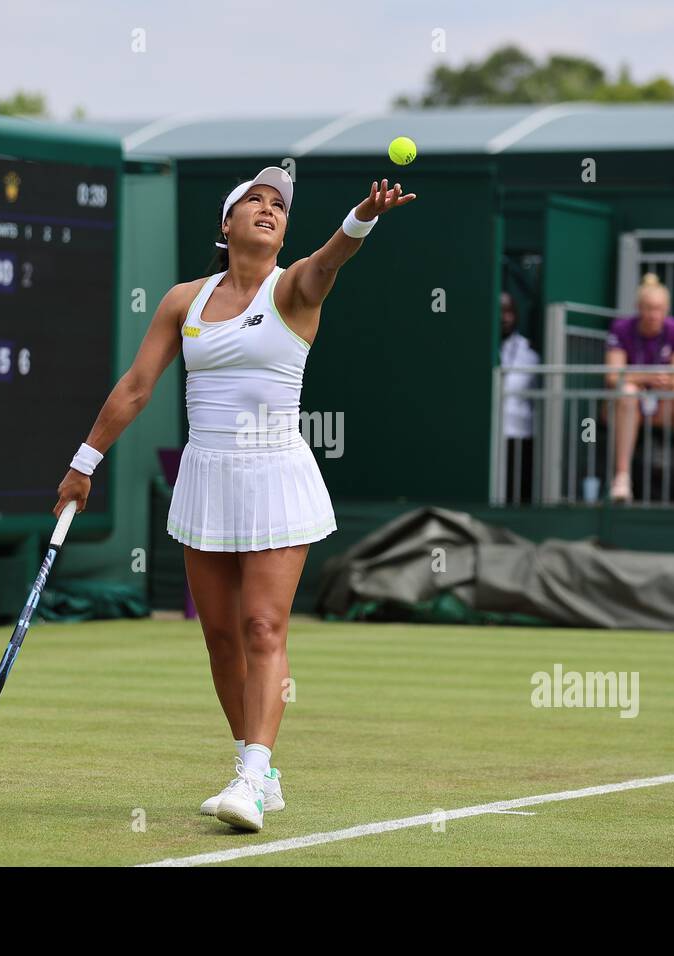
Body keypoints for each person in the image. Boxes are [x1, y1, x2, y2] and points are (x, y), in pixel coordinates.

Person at [53, 168, 416, 832]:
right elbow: (137, 386)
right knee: (220, 637)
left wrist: (362, 216)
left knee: (261, 628)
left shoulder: (297, 286)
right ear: (226, 225)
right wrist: (84, 463)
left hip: (276, 473)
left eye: (279, 205)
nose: (269, 208)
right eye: (255, 199)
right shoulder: (182, 301)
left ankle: (251, 774)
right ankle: (258, 770)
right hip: (206, 477)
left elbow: (334, 254)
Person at [604, 274, 674, 505]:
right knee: (627, 392)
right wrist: (646, 377)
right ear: (638, 308)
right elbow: (613, 377)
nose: (653, 315)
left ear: (665, 309)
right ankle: (622, 478)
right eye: (647, 308)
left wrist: (662, 381)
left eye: (658, 309)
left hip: (664, 407)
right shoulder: (621, 328)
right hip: (628, 407)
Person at [499, 291, 539, 503]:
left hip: (519, 436)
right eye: (500, 312)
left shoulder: (529, 352)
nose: (505, 317)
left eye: (509, 312)